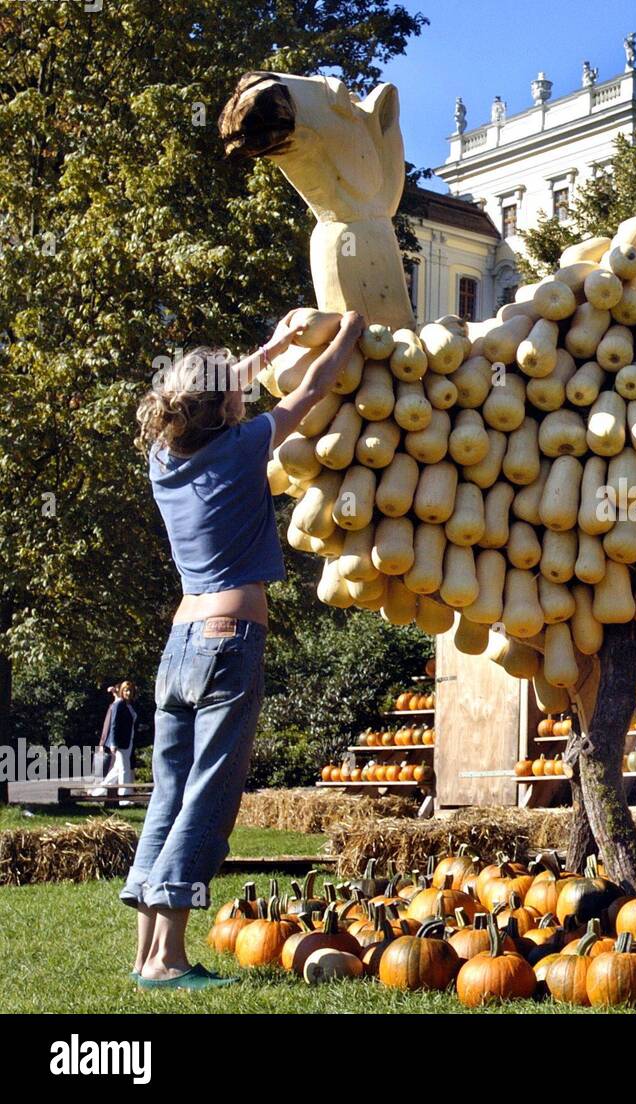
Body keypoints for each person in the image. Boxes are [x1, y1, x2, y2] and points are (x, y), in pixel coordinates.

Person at [123, 309, 365, 990]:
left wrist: (273, 346)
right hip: (229, 641)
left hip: (178, 646)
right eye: (235, 385)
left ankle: (147, 956)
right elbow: (312, 391)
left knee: (169, 794)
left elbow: (219, 392)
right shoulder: (242, 445)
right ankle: (170, 960)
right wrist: (348, 331)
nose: (245, 388)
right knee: (209, 797)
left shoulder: (165, 457)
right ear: (225, 405)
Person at [94, 681, 138, 804]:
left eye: (130, 691)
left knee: (117, 769)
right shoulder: (119, 704)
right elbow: (113, 725)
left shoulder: (130, 705)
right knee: (124, 768)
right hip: (120, 742)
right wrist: (113, 743)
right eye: (126, 691)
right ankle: (124, 798)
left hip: (129, 741)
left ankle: (99, 791)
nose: (128, 693)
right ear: (121, 692)